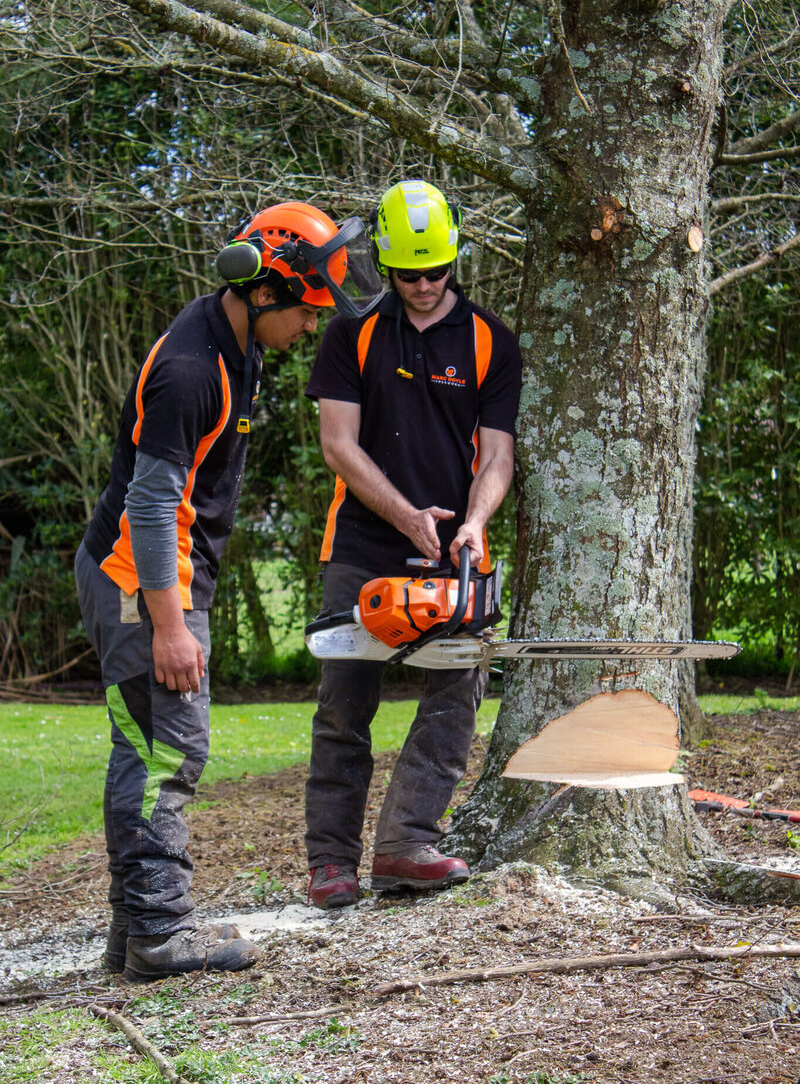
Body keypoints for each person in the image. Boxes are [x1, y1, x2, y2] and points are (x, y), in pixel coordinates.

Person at [75, 203, 383, 979]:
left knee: (154, 743)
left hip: (159, 576)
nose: (313, 326)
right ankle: (159, 931)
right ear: (267, 288)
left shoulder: (230, 340)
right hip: (138, 581)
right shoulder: (190, 369)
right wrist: (170, 625)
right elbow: (151, 504)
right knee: (167, 749)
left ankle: (135, 930)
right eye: (310, 309)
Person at [304, 179, 522, 909]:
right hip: (364, 543)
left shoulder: (491, 339)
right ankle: (331, 862)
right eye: (408, 273)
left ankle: (406, 844)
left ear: (454, 259)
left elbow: (497, 457)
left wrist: (475, 521)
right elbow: (339, 445)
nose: (424, 286)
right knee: (343, 705)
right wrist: (402, 515)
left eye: (436, 271)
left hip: (456, 551)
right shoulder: (352, 334)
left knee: (454, 700)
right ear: (387, 266)